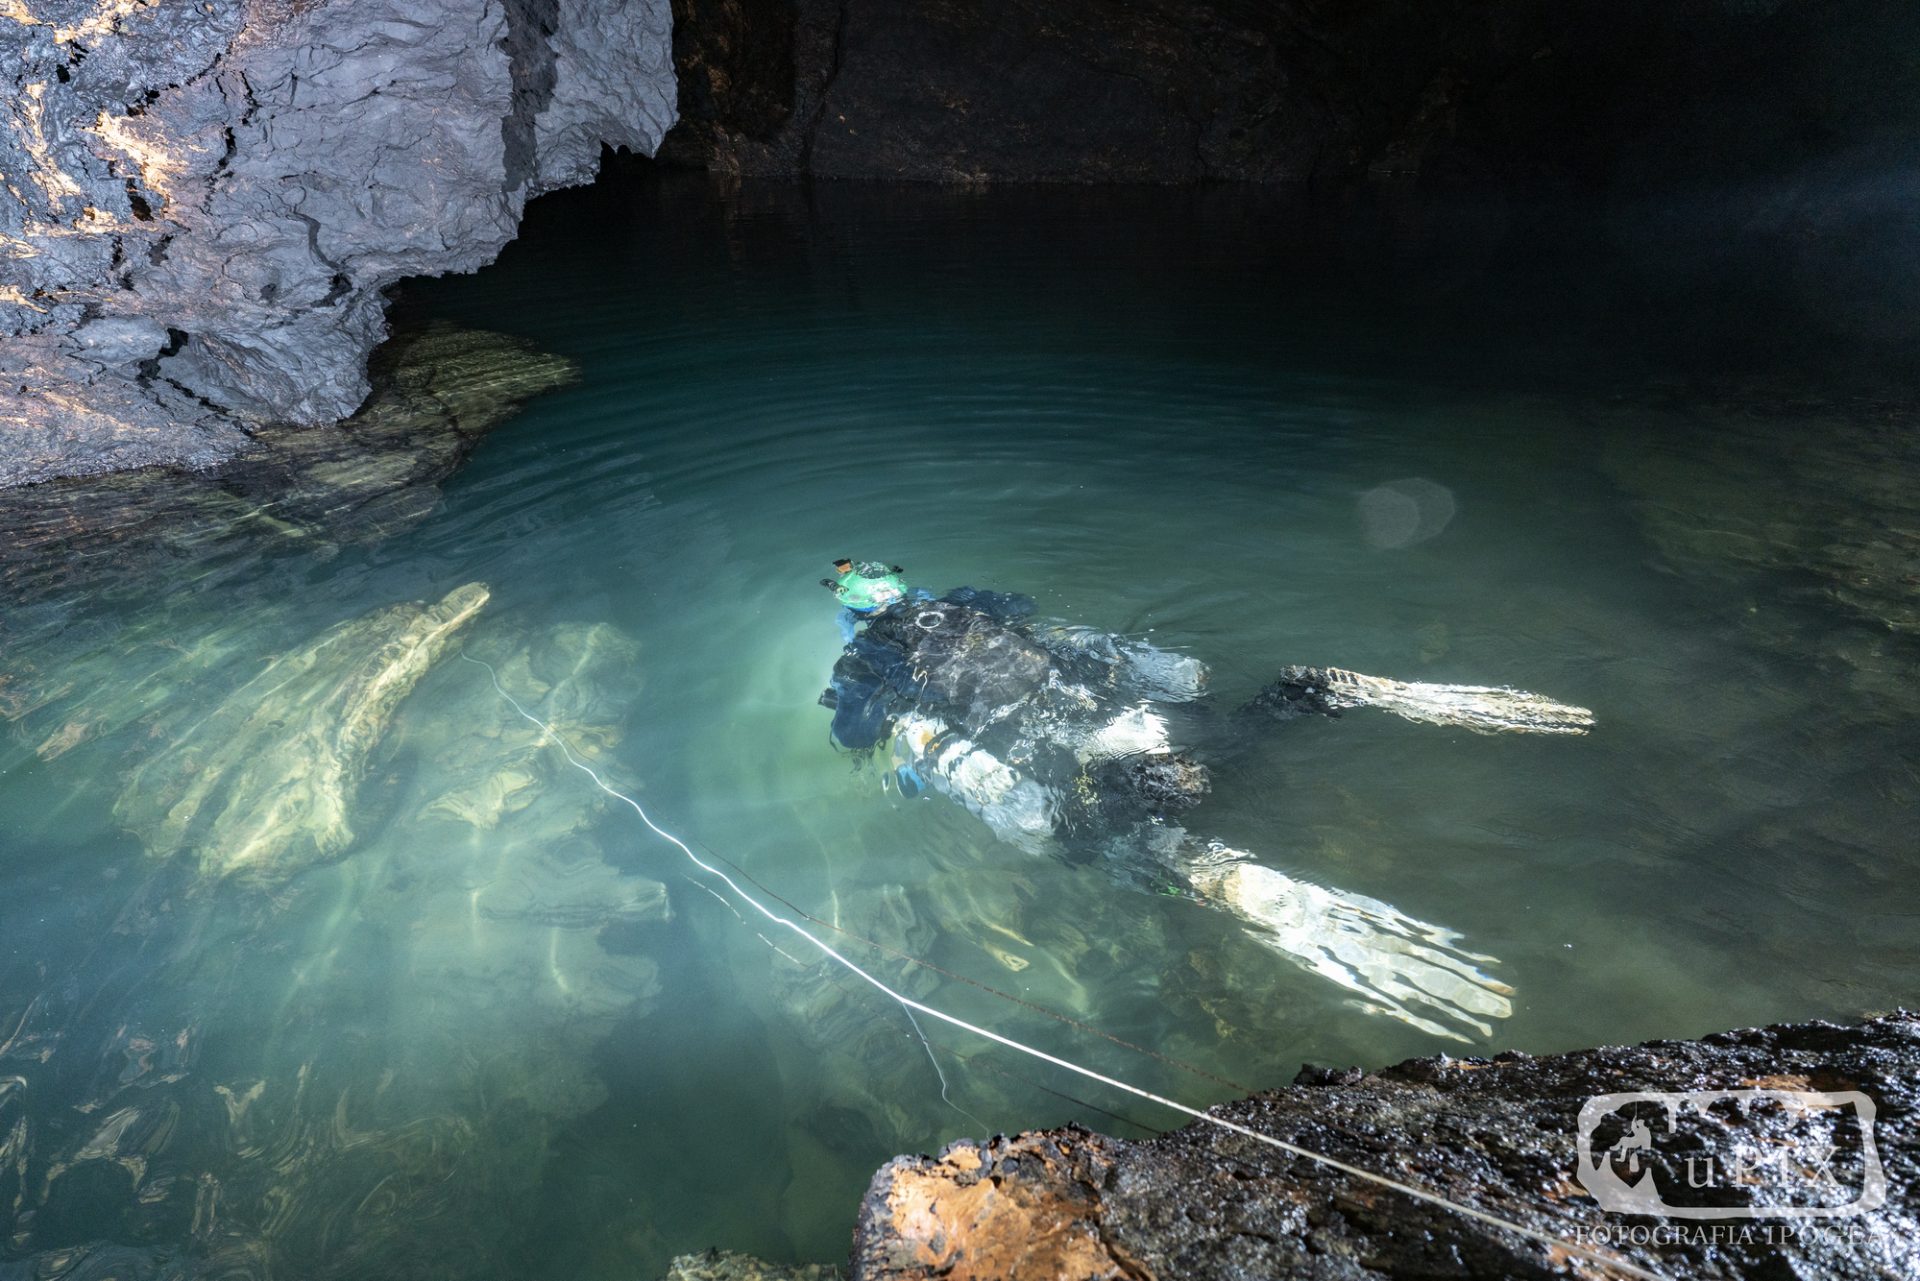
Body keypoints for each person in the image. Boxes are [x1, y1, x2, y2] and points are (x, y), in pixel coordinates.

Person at [818, 558, 1595, 1042]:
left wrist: (904, 754)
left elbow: (853, 737)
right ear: (908, 589)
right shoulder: (963, 600)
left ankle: (1201, 862)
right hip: (1117, 709)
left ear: (856, 616)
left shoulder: (862, 658)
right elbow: (1019, 604)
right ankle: (1308, 695)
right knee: (1214, 736)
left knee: (1071, 833)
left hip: (1056, 748)